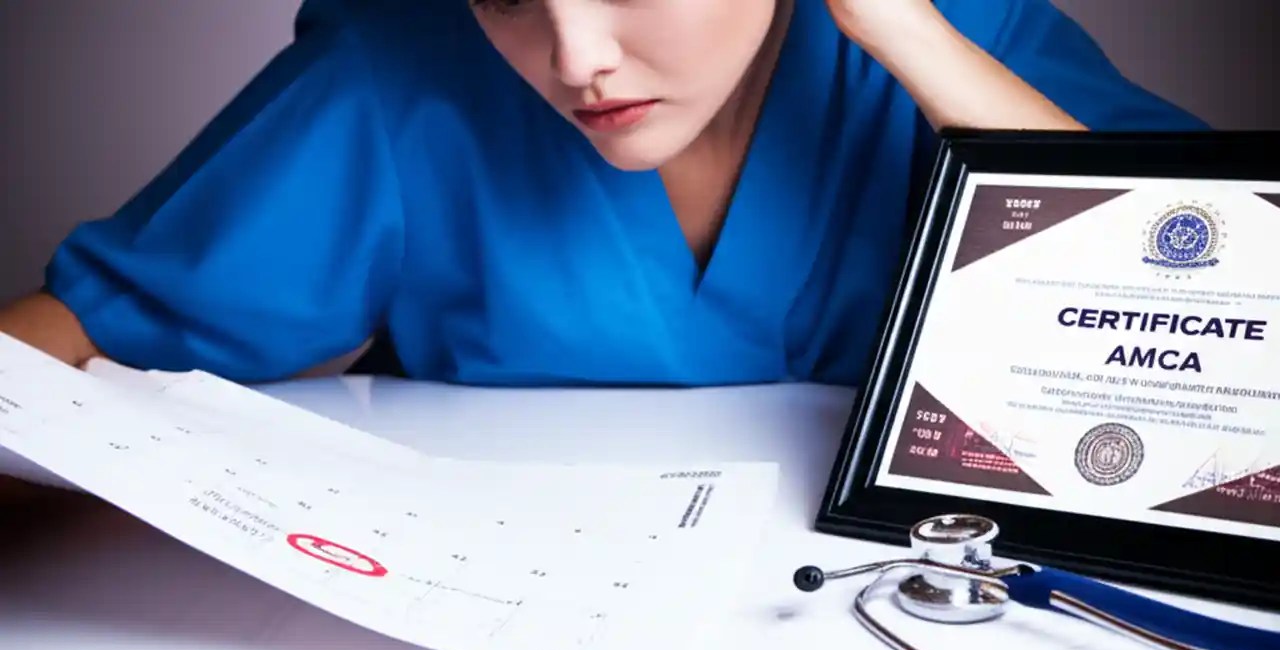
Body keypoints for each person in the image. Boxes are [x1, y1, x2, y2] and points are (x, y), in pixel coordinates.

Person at [0, 0, 1202, 498]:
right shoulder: (395, 72)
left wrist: (904, 32)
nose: (576, 56)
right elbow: (75, 331)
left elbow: (1216, 309)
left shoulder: (954, 41)